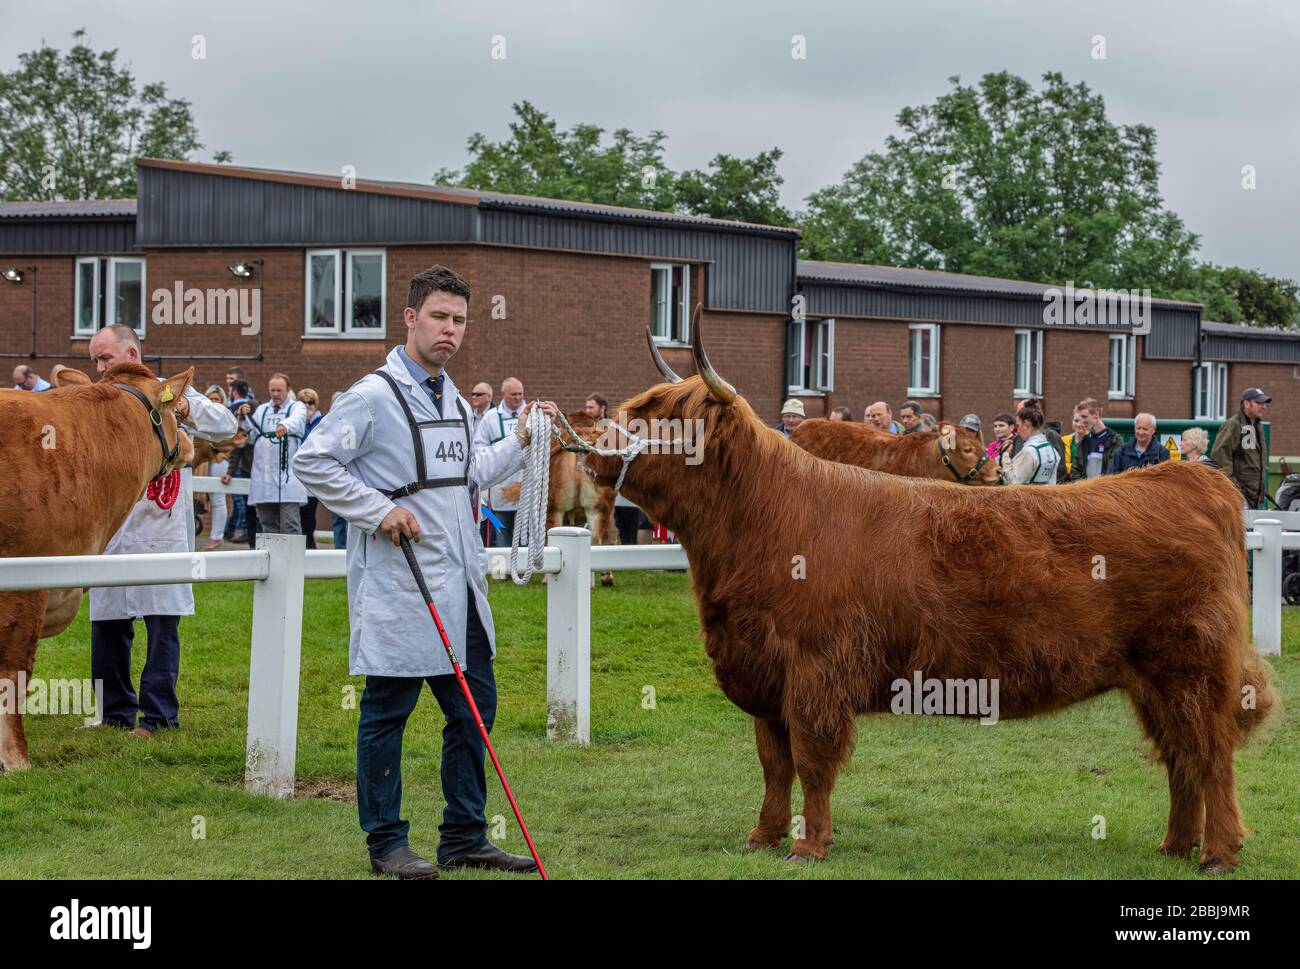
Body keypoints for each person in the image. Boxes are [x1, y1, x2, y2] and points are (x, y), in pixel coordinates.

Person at [293, 264, 559, 878]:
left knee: (474, 712)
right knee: (387, 713)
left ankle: (464, 835)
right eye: (439, 317)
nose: (450, 331)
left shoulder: (456, 399)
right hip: (401, 581)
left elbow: (471, 473)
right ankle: (386, 842)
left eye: (460, 321)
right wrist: (379, 510)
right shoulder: (371, 396)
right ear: (410, 318)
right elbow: (314, 461)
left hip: (458, 584)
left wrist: (521, 438)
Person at [85, 324, 238, 736]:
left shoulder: (166, 391)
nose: (100, 368)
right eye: (95, 360)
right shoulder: (98, 401)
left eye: (105, 358)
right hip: (114, 525)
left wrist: (185, 408)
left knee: (161, 620)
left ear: (132, 354)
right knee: (108, 623)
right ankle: (114, 712)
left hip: (159, 523)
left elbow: (225, 426)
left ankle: (158, 717)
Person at [239, 373, 308, 534]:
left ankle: (292, 559)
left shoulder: (296, 407)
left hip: (288, 479)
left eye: (279, 390)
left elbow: (297, 420)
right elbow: (250, 435)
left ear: (288, 390)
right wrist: (243, 417)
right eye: (272, 390)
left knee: (290, 525)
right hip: (263, 479)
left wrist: (284, 425)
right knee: (267, 525)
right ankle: (270, 559)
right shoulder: (262, 410)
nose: (276, 394)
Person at [475, 377, 526, 547]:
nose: (517, 398)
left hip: (525, 484)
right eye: (513, 395)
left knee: (524, 531)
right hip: (499, 487)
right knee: (501, 528)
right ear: (504, 394)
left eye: (520, 394)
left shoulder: (532, 415)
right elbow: (479, 447)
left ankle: (525, 570)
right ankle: (501, 571)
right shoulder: (490, 418)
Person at [1211, 388, 1271, 509]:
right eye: (1259, 403)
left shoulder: (1257, 426)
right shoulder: (1234, 424)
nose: (1263, 407)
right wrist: (1235, 489)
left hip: (1254, 497)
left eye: (1264, 403)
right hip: (1239, 497)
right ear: (1246, 404)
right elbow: (1220, 457)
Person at [201, 385, 232, 551]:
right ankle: (215, 536)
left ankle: (217, 537)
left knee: (218, 498)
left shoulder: (225, 417)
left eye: (217, 399)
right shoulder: (202, 416)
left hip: (220, 459)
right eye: (211, 399)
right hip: (205, 460)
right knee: (211, 499)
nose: (213, 402)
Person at [1005, 403, 1060, 485]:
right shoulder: (1052, 450)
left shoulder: (1029, 452)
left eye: (1018, 425)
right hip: (1046, 496)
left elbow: (1014, 483)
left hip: (1028, 496)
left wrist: (1005, 456)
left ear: (1026, 424)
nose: (1018, 430)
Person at [1069, 397, 1122, 482]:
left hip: (1104, 491)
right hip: (1085, 492)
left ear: (1096, 415)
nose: (1081, 422)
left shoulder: (1114, 440)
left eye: (1084, 416)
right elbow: (1075, 471)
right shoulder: (1084, 441)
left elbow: (1115, 472)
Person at [297, 388, 324, 547]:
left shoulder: (321, 422)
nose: (308, 406)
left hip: (312, 474)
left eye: (311, 403)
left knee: (308, 515)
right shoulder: (295, 421)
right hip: (296, 476)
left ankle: (310, 548)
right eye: (304, 403)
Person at [1062, 409, 1090, 480]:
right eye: (1076, 421)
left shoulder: (1094, 443)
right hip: (1065, 482)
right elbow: (1059, 465)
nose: (1079, 424)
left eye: (1083, 422)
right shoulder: (1063, 440)